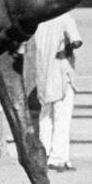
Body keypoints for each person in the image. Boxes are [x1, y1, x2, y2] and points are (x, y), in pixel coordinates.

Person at [29, 10, 82, 172]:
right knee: (62, 118)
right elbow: (76, 41)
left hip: (44, 75)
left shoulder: (40, 22)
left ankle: (45, 154)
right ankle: (59, 158)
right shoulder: (65, 18)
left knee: (45, 116)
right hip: (60, 74)